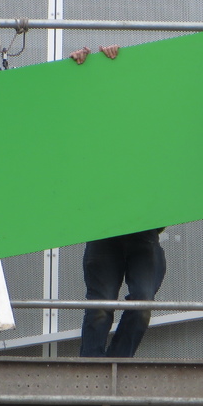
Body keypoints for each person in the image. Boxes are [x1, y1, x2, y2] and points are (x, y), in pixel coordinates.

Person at [69, 45, 167, 358]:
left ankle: (115, 366)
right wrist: (83, 70)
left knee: (141, 303)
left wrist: (118, 70)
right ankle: (92, 371)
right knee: (100, 307)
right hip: (105, 235)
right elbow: (73, 117)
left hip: (142, 236)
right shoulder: (96, 141)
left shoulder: (150, 142)